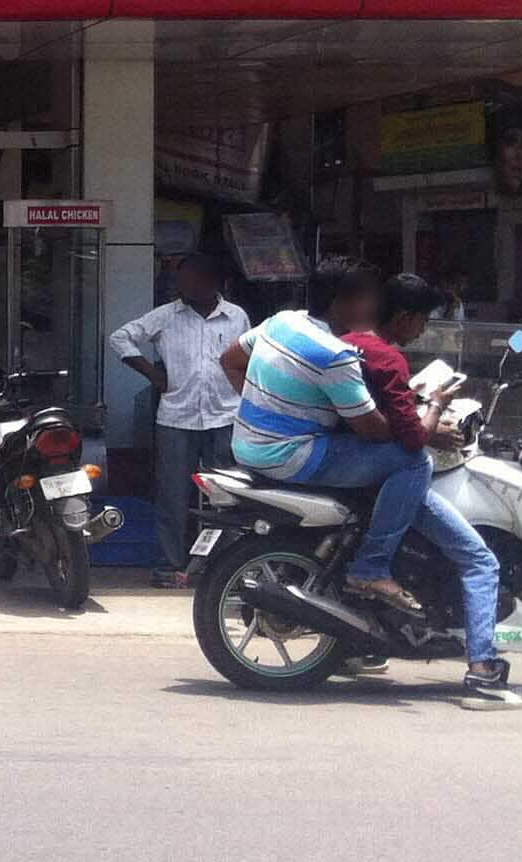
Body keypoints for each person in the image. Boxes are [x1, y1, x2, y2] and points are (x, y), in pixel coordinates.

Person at [346, 273, 522, 703]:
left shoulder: (355, 343)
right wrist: (437, 410)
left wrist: (421, 414)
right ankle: (483, 672)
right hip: (390, 474)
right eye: (422, 321)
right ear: (405, 316)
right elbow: (409, 437)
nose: (423, 330)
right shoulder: (387, 357)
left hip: (357, 465)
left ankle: (360, 645)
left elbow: (386, 413)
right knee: (480, 560)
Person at [221, 265, 422, 616]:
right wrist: (421, 420)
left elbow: (230, 361)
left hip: (246, 446)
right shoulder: (333, 355)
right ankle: (372, 568)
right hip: (292, 456)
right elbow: (371, 429)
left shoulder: (282, 322)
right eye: (368, 301)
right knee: (413, 460)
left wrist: (267, 406)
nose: (375, 311)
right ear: (341, 303)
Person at [110, 251, 250, 587]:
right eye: (181, 280)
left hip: (224, 415)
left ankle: (224, 565)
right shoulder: (166, 316)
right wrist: (153, 376)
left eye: (191, 279)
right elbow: (120, 338)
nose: (184, 286)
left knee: (227, 495)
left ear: (213, 282)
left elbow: (250, 357)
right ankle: (169, 565)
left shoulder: (236, 317)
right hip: (177, 416)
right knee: (172, 494)